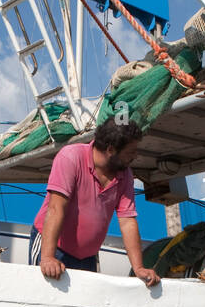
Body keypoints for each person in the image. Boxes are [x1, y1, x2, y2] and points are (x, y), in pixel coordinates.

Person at [32, 120, 160, 287]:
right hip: (53, 248)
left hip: (87, 257)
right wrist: (48, 257)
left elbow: (127, 220)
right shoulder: (70, 157)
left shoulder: (126, 174)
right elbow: (56, 208)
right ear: (111, 150)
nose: (135, 156)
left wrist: (139, 268)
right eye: (131, 152)